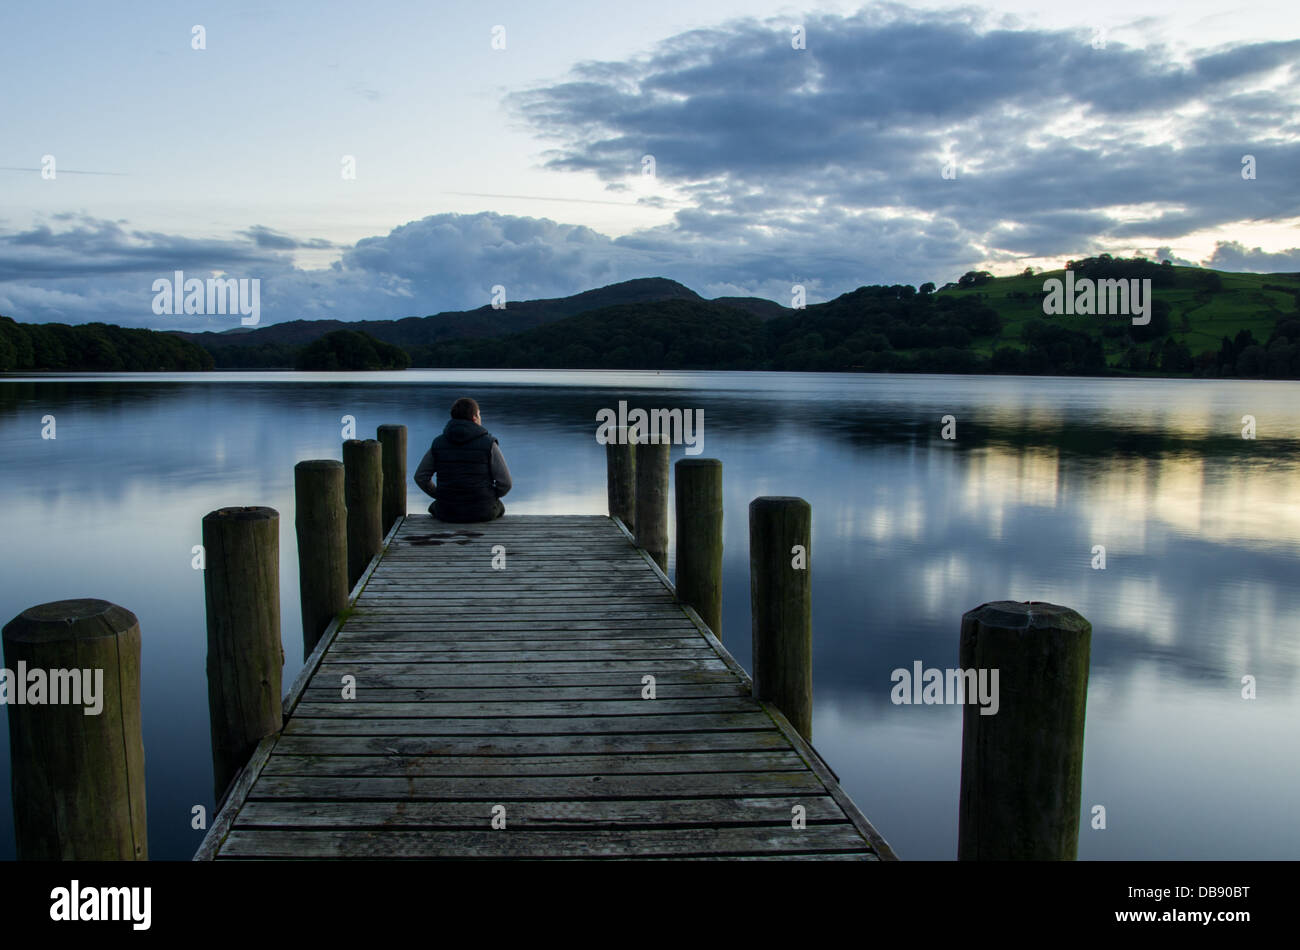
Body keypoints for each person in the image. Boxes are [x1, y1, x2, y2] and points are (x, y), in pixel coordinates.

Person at [414, 397, 512, 522]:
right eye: (479, 414)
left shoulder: (438, 443)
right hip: (482, 511)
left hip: (447, 512)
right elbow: (506, 483)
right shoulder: (489, 444)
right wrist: (490, 496)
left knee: (435, 507)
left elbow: (420, 477)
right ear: (475, 417)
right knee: (499, 507)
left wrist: (439, 494)